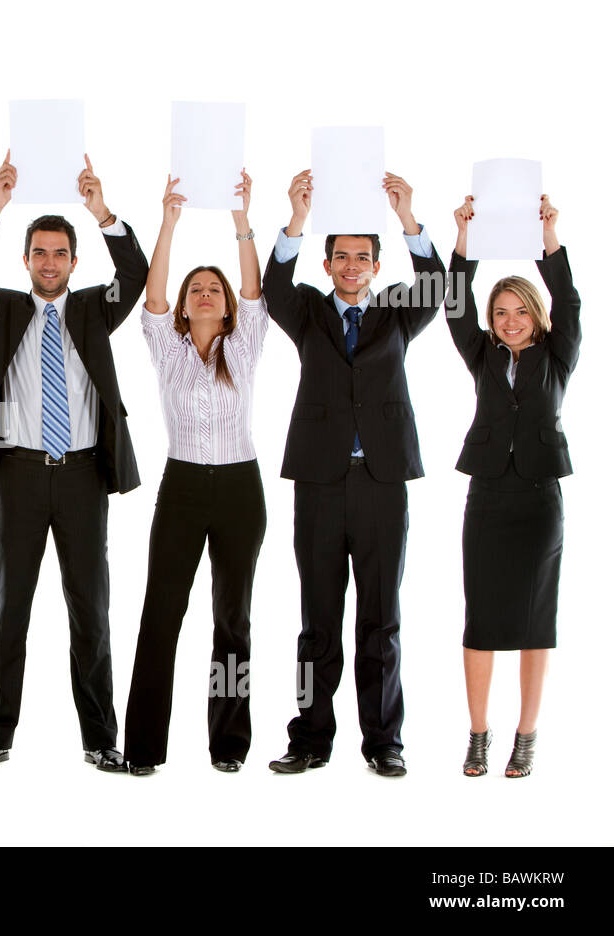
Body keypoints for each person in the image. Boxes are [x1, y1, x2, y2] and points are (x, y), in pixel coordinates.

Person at [0, 152, 149, 772]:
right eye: (39, 252)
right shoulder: (7, 309)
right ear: (27, 259)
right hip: (19, 472)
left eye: (60, 253)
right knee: (7, 608)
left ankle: (99, 738)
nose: (49, 262)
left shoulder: (94, 308)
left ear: (73, 260)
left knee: (90, 607)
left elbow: (137, 272)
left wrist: (101, 210)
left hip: (86, 472)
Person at [262, 169, 446, 778]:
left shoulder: (397, 311)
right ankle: (310, 738)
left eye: (361, 257)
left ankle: (384, 742)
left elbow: (439, 286)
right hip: (318, 483)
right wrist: (295, 215)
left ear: (375, 263)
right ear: (327, 260)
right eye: (340, 256)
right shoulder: (308, 312)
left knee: (381, 617)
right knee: (317, 621)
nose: (350, 266)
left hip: (381, 483)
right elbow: (273, 284)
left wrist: (409, 216)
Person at [123, 171, 268, 776]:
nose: (206, 293)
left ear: (227, 302)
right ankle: (143, 748)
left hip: (239, 489)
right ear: (183, 306)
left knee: (231, 621)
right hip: (181, 488)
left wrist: (241, 218)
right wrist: (169, 222)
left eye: (215, 288)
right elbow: (150, 294)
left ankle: (228, 745)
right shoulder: (167, 347)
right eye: (196, 289)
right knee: (162, 611)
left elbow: (256, 290)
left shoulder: (247, 342)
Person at [445, 194, 576, 779]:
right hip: (489, 499)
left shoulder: (558, 354)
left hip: (540, 500)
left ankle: (526, 736)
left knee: (534, 619)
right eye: (500, 312)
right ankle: (478, 735)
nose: (510, 320)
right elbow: (453, 308)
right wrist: (462, 241)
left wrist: (550, 236)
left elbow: (569, 300)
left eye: (519, 310)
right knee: (482, 618)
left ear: (535, 315)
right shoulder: (481, 355)